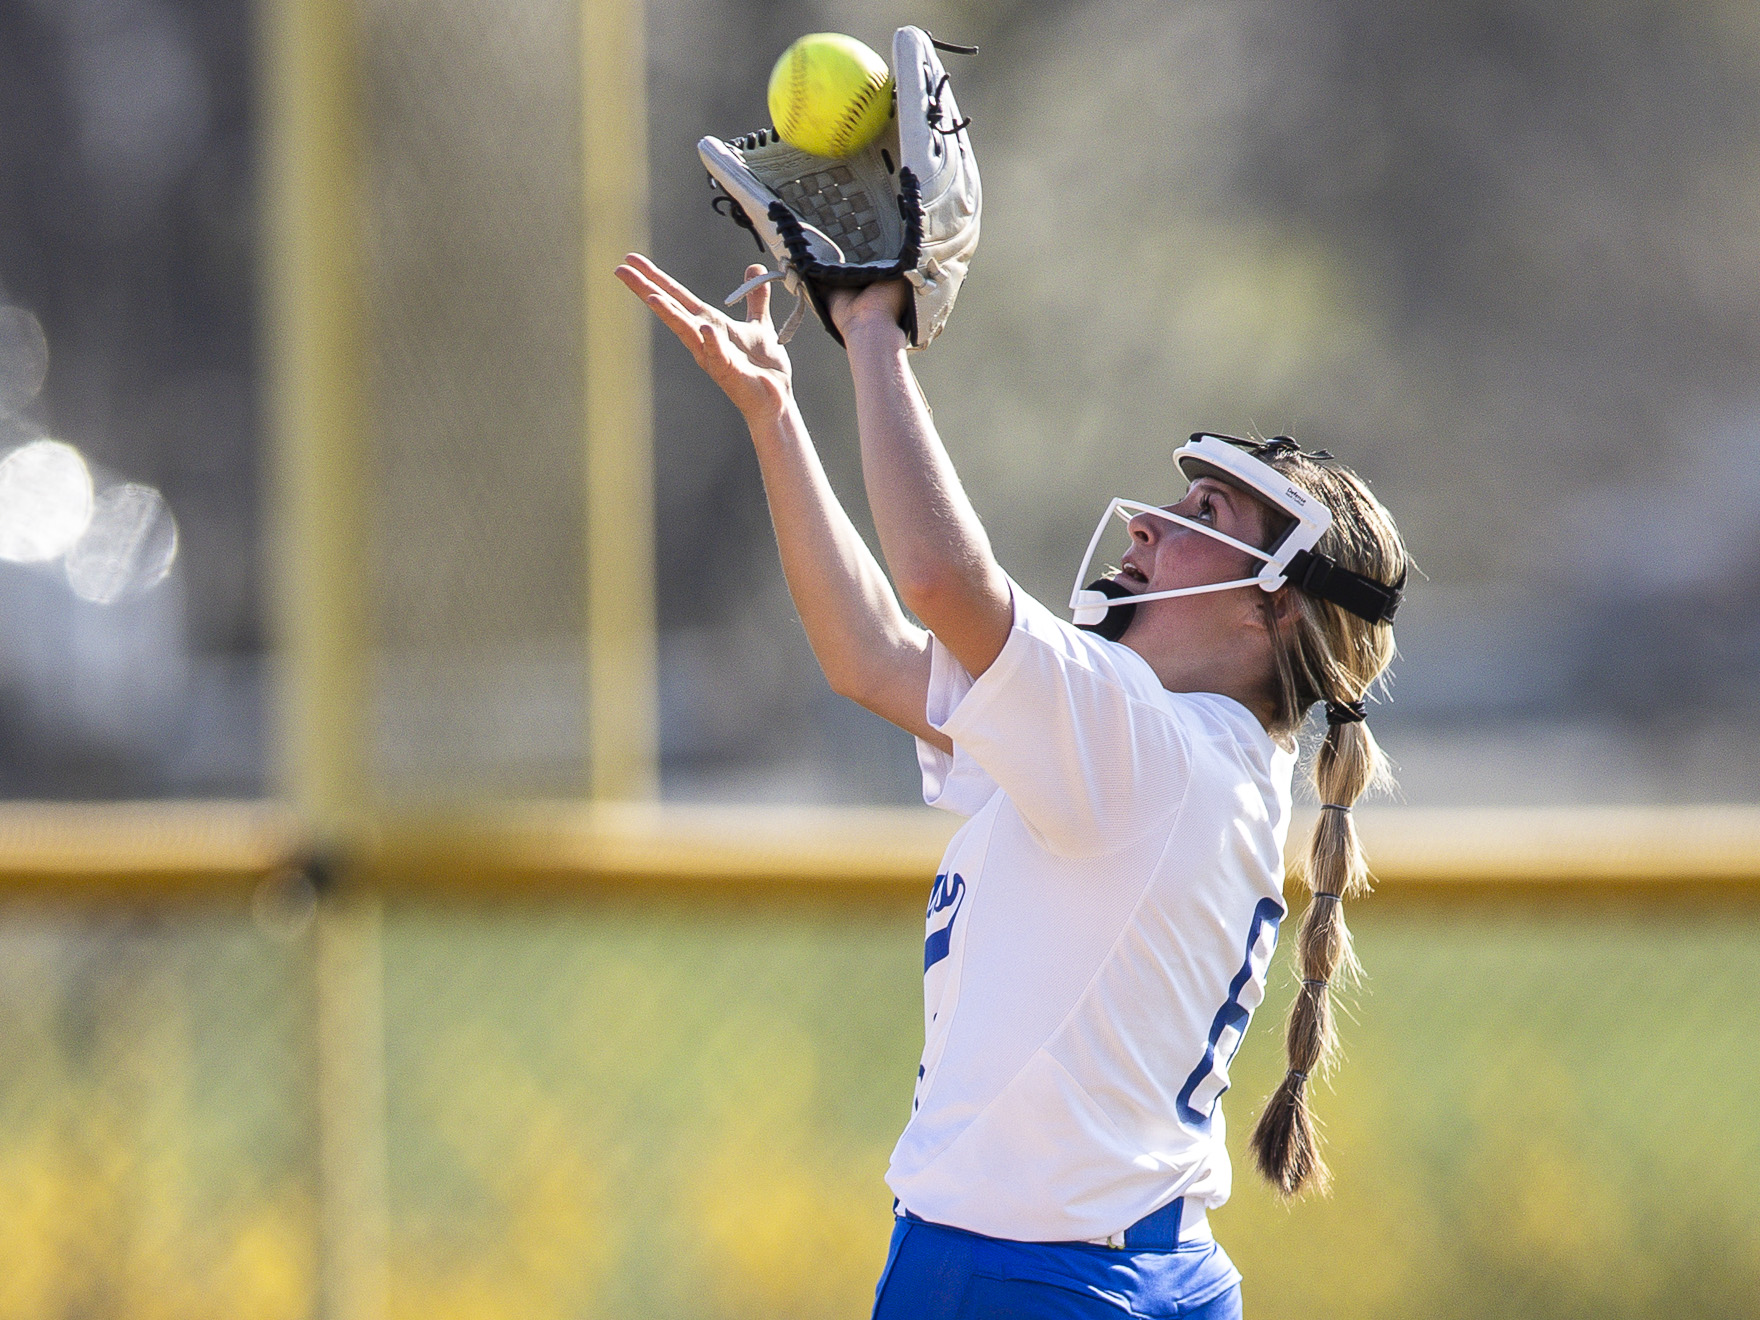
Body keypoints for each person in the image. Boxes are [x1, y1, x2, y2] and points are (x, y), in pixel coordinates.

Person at [615, 253, 1409, 1320]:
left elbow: (940, 580)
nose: (1146, 525)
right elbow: (871, 657)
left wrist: (874, 333)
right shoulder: (1174, 753)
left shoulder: (1142, 747)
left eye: (1202, 515)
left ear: (1271, 610)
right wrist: (772, 414)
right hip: (1147, 1272)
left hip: (1022, 1277)